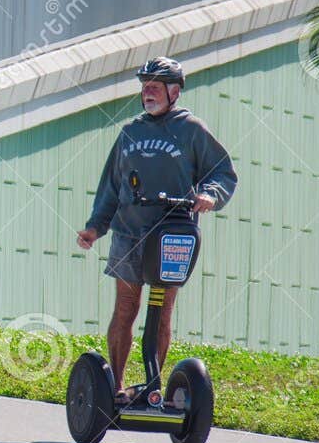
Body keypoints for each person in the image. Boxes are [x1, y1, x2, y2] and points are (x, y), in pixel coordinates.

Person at [76, 57, 238, 403]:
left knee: (161, 310)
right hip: (129, 233)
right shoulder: (130, 132)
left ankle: (152, 387)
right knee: (126, 308)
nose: (147, 93)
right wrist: (95, 227)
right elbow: (111, 187)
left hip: (173, 235)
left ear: (174, 91)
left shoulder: (192, 129)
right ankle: (115, 389)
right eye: (144, 87)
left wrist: (210, 196)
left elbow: (223, 172)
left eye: (155, 86)